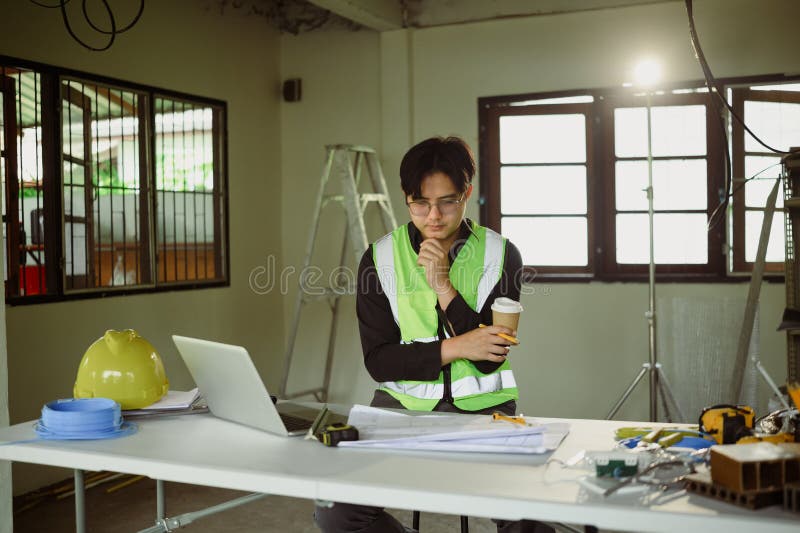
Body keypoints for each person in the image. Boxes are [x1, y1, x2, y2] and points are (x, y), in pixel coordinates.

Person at [315, 136, 543, 533]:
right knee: (335, 510)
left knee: (529, 516)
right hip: (400, 407)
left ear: (467, 193)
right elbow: (379, 361)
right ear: (407, 198)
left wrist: (442, 285)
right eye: (420, 203)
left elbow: (490, 356)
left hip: (486, 410)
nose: (433, 216)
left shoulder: (502, 254)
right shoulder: (379, 258)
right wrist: (457, 346)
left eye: (447, 201)